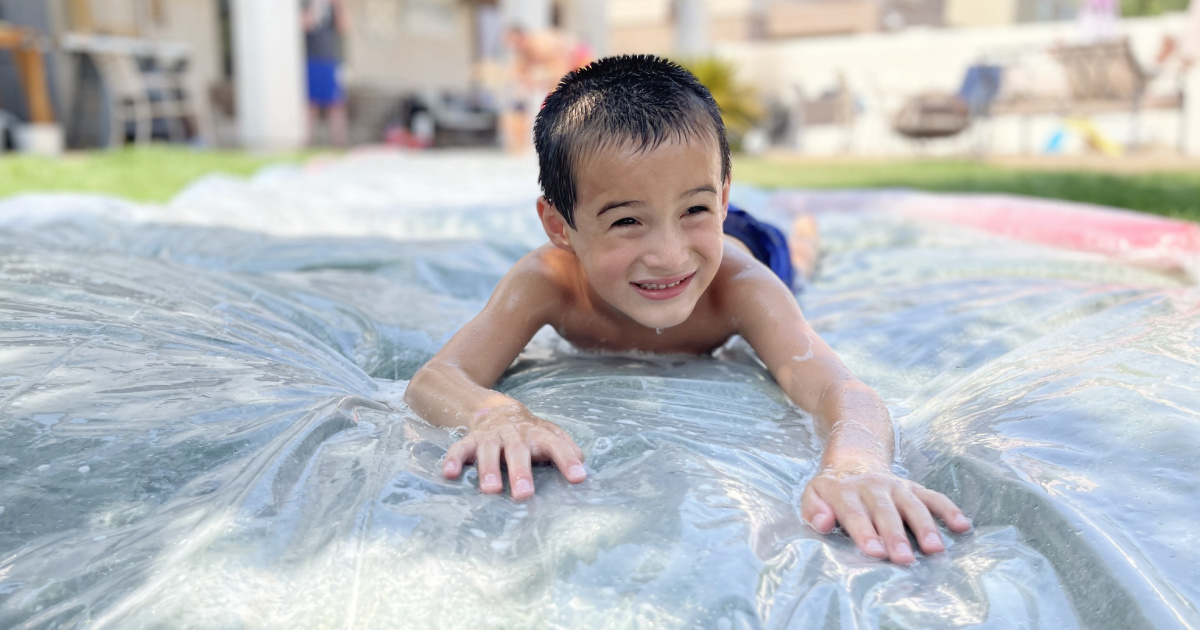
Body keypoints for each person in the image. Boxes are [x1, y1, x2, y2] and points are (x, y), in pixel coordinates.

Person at [404, 55, 971, 566]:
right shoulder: (547, 283)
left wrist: (856, 465)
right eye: (625, 221)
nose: (667, 255)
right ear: (559, 227)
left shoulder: (741, 288)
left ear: (722, 198)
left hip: (742, 246)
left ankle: (802, 235)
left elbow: (839, 390)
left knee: (793, 261)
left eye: (699, 208)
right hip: (704, 232)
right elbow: (437, 379)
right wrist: (497, 415)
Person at [500, 25, 591, 154]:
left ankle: (575, 142)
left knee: (562, 101)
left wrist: (543, 83)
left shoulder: (541, 45)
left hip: (578, 57)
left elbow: (561, 71)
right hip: (565, 65)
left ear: (523, 37)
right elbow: (519, 79)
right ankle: (522, 148)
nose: (513, 47)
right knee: (526, 103)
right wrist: (528, 85)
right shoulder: (521, 56)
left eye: (515, 42)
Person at [302, 0, 349, 147]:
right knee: (311, 105)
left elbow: (344, 27)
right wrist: (315, 7)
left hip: (330, 60)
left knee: (336, 105)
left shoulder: (333, 5)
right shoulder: (304, 3)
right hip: (310, 59)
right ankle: (307, 143)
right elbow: (304, 25)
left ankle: (339, 144)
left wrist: (338, 6)